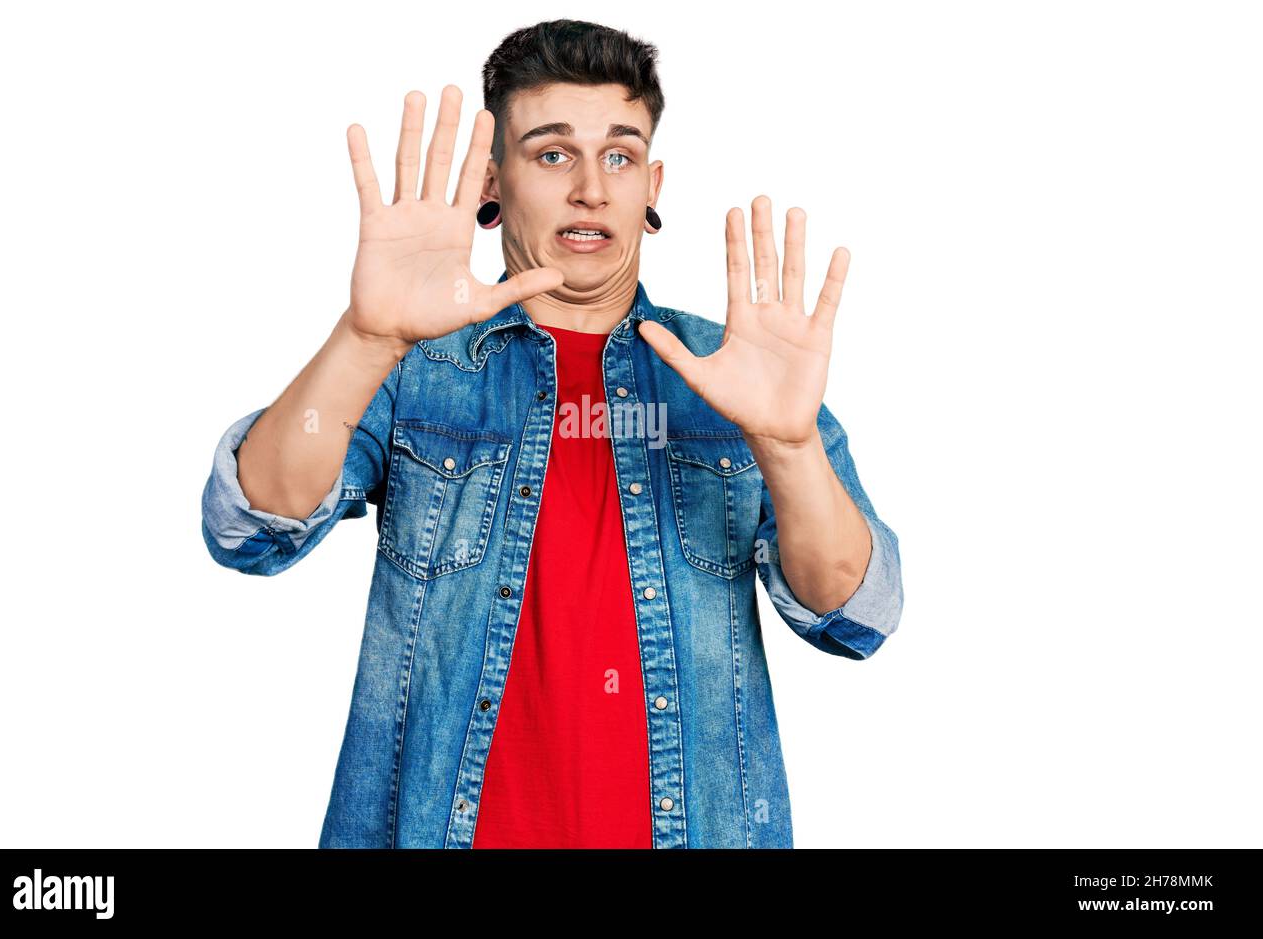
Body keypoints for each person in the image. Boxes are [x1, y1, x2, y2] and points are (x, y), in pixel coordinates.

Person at [200, 18, 903, 849]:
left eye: (619, 154)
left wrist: (787, 447)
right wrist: (366, 339)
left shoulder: (737, 375)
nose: (591, 189)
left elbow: (857, 615)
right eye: (552, 153)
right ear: (492, 183)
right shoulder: (417, 367)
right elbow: (247, 527)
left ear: (653, 187)